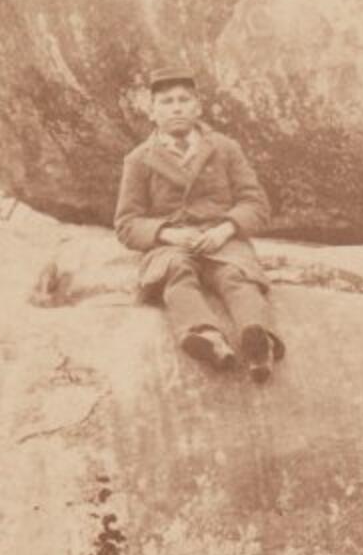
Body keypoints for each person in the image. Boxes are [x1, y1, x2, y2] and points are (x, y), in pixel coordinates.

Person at [111, 68, 285, 376]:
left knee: (235, 275)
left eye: (183, 100)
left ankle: (258, 341)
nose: (176, 108)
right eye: (166, 102)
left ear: (198, 108)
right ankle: (207, 337)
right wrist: (166, 234)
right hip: (171, 244)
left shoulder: (224, 148)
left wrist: (225, 229)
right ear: (152, 112)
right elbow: (127, 223)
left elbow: (255, 203)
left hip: (222, 239)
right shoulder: (138, 159)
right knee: (176, 273)